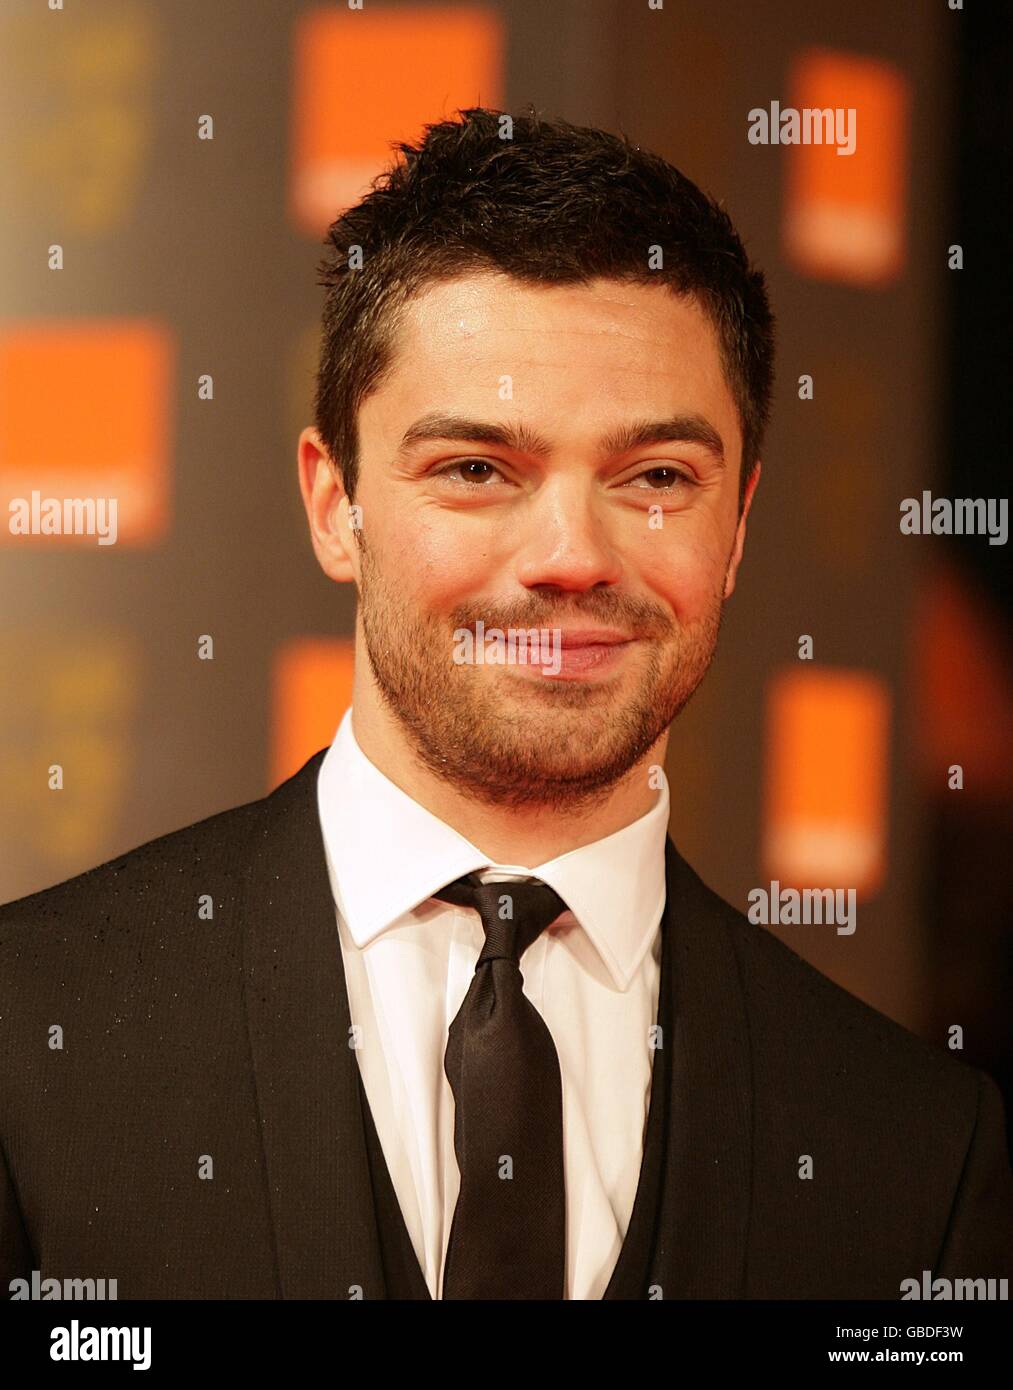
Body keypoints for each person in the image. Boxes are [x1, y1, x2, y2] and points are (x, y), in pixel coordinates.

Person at [2, 107, 1010, 1301]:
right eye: (477, 469)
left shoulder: (913, 1151)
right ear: (336, 505)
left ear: (736, 526)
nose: (569, 557)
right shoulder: (31, 1040)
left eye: (654, 478)